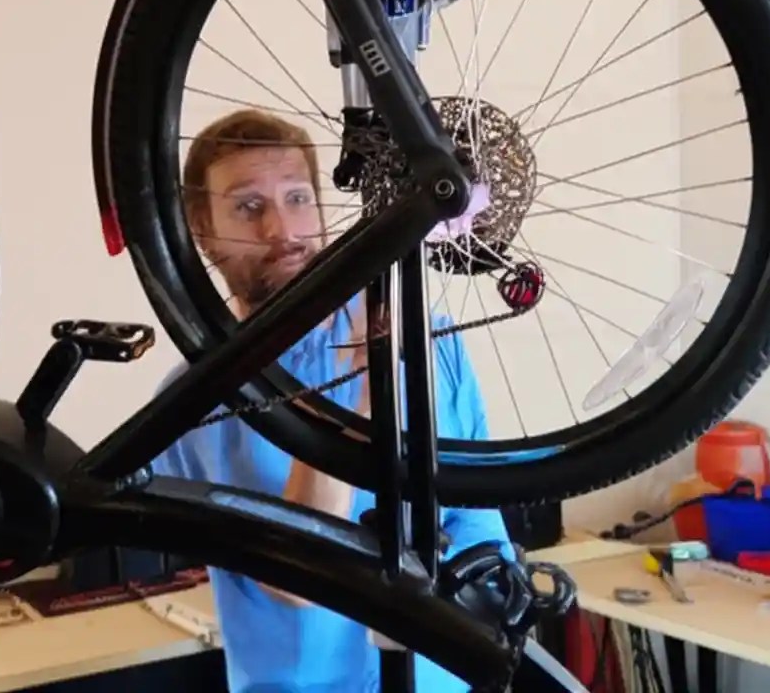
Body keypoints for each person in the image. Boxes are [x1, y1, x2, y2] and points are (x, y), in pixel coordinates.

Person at [146, 108, 514, 693]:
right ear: (203, 230)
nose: (282, 230)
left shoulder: (429, 339)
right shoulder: (198, 398)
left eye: (297, 198)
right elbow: (291, 579)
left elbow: (478, 521)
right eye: (248, 206)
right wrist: (360, 407)